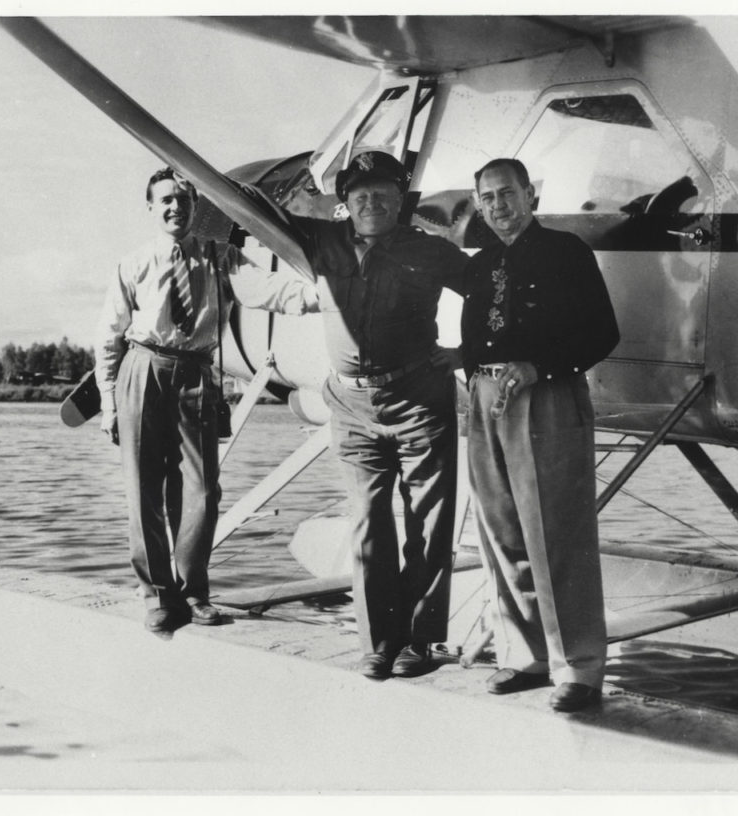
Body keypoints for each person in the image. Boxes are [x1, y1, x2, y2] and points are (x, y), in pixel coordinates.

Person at [95, 167, 317, 637]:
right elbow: (109, 337)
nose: (176, 207)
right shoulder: (133, 264)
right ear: (152, 209)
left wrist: (317, 295)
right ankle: (158, 595)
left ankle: (193, 591)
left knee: (201, 490)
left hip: (196, 373)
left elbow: (268, 289)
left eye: (184, 200)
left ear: (196, 208)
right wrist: (109, 402)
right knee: (144, 491)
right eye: (166, 200)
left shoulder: (222, 257)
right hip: (143, 368)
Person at [286, 151, 469, 679]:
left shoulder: (431, 251)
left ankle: (422, 640)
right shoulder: (321, 241)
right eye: (360, 193)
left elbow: (489, 293)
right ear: (343, 202)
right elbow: (253, 215)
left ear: (400, 199)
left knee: (428, 524)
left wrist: (468, 350)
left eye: (384, 191)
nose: (372, 200)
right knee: (368, 525)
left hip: (418, 398)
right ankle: (378, 643)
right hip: (349, 403)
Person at [460, 158, 619, 712]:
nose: (497, 205)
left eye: (507, 193)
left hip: (545, 397)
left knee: (558, 533)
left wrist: (538, 367)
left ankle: (578, 668)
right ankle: (523, 656)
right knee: (501, 532)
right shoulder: (480, 264)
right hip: (485, 400)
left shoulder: (566, 253)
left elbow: (603, 332)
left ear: (531, 194)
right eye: (487, 197)